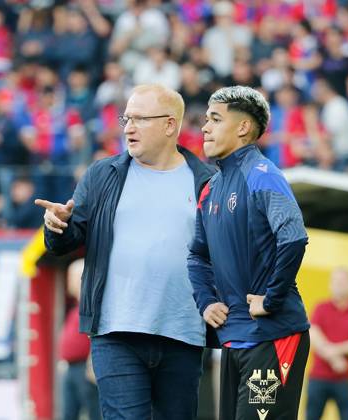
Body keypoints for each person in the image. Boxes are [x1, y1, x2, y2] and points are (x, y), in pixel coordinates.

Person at [36, 84, 215, 419]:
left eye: (140, 119)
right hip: (116, 331)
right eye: (126, 118)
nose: (128, 128)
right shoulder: (102, 174)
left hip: (184, 332)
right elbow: (68, 240)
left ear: (169, 125)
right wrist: (56, 225)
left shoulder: (208, 181)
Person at [188, 86, 311, 420]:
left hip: (273, 336)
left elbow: (294, 238)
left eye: (215, 119)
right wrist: (206, 301)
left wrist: (271, 299)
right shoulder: (210, 188)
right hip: (233, 338)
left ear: (243, 128)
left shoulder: (264, 176)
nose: (205, 128)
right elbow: (197, 256)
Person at [306, 268, 348, 420]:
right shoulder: (321, 308)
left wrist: (334, 350)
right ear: (330, 284)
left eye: (343, 281)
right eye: (336, 281)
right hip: (319, 377)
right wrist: (335, 358)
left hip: (346, 379)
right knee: (312, 416)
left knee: (347, 416)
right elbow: (313, 334)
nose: (339, 285)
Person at [59, 259, 100, 420]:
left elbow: (97, 334)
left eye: (72, 276)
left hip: (85, 368)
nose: (68, 280)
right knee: (69, 413)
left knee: (93, 412)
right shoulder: (76, 307)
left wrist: (92, 364)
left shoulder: (92, 304)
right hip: (71, 368)